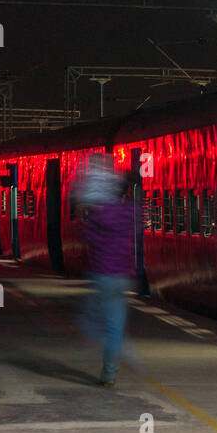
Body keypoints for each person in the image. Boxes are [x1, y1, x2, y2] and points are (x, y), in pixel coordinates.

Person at [76, 157, 137, 387]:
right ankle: (110, 372)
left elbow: (86, 237)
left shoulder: (99, 216)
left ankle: (97, 336)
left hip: (101, 275)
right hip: (121, 277)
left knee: (91, 319)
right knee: (115, 325)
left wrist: (86, 214)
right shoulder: (128, 213)